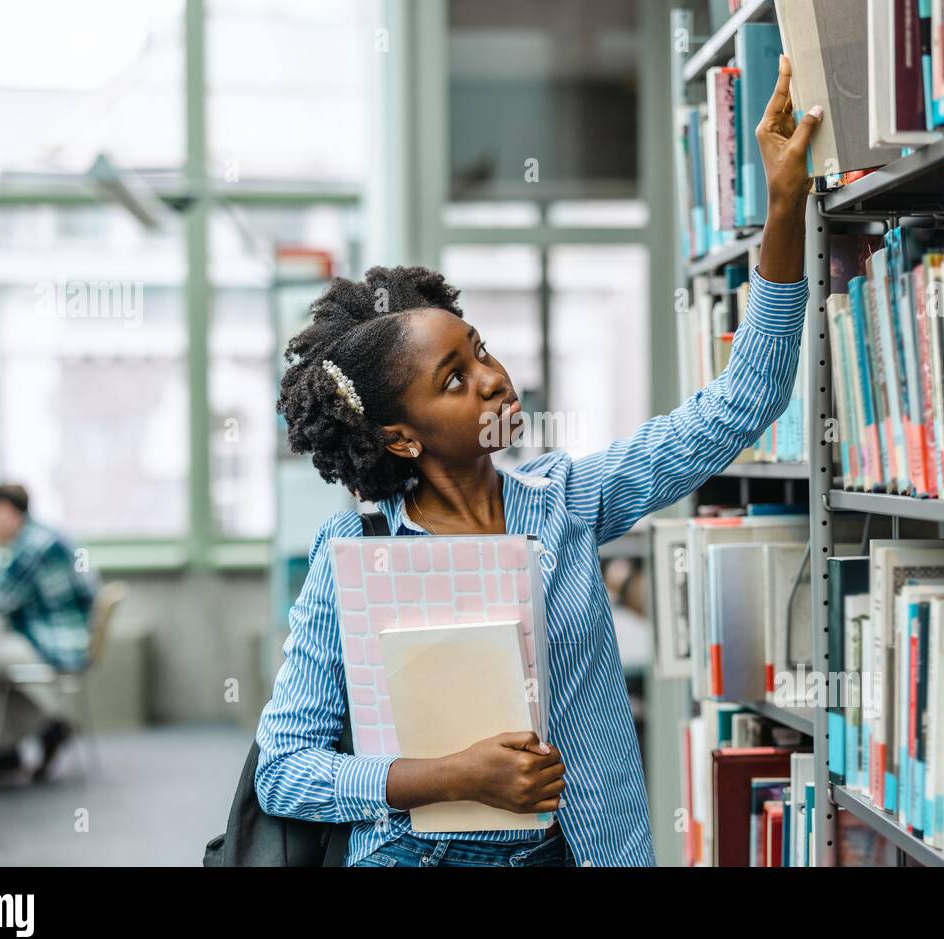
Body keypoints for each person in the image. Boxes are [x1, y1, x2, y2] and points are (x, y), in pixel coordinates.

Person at [254, 56, 821, 867]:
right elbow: (285, 770)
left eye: (478, 348)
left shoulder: (566, 500)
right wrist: (445, 774)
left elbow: (741, 405)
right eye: (455, 380)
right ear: (402, 438)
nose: (492, 377)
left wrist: (784, 207)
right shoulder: (351, 561)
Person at [0, 484, 96, 782]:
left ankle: (50, 721)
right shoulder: (40, 536)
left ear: (6, 510)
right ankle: (7, 750)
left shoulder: (34, 545)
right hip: (64, 634)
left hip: (57, 641)